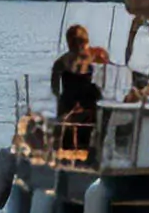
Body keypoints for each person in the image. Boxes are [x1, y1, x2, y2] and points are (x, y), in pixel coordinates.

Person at [48, 23, 113, 151]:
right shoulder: (61, 63)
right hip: (69, 100)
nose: (79, 47)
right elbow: (55, 88)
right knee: (67, 124)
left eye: (81, 42)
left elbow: (111, 68)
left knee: (99, 113)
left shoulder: (95, 54)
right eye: (76, 43)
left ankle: (95, 146)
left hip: (88, 99)